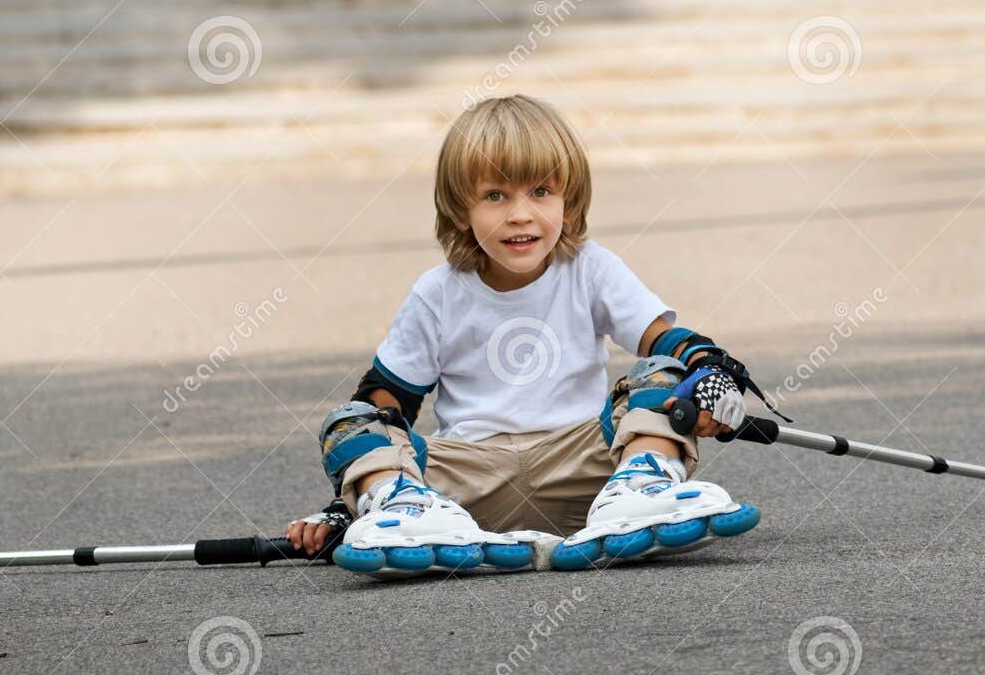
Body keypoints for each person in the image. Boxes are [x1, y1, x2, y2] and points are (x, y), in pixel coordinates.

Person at [286, 95, 763, 578]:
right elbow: (389, 402)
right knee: (353, 420)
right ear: (459, 210)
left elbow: (660, 338)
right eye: (495, 195)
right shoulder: (438, 293)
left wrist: (710, 372)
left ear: (569, 203)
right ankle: (402, 507)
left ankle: (641, 492)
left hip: (586, 468)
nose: (520, 214)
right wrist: (346, 502)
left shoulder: (590, 269)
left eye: (540, 192)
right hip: (467, 482)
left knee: (667, 376)